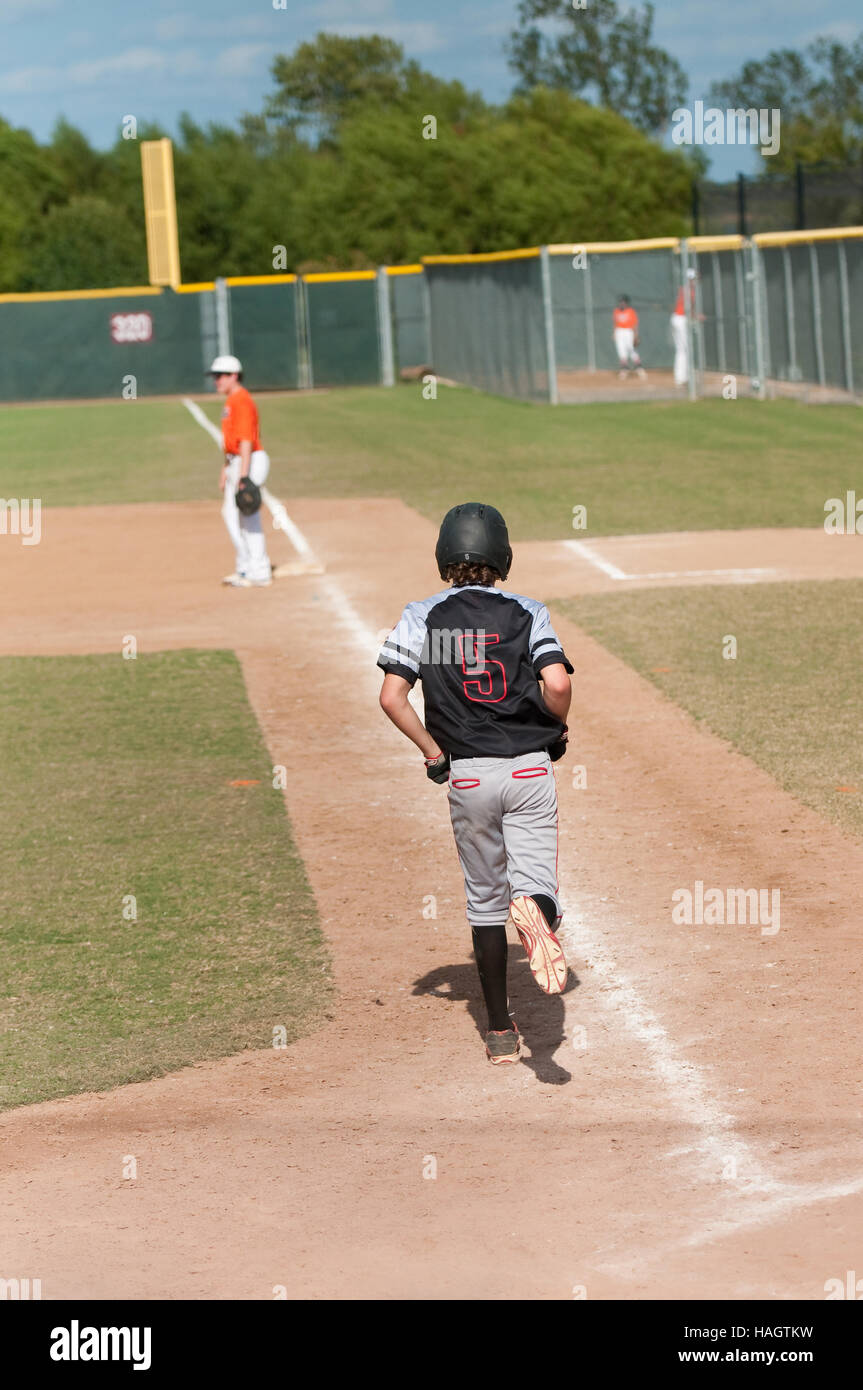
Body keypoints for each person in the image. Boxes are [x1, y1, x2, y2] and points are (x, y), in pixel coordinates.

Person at [377, 502, 573, 1066]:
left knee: (484, 898)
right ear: (502, 556)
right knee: (535, 881)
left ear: (445, 556)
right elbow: (555, 683)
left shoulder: (423, 616)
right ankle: (537, 910)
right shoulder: (525, 611)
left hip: (467, 773)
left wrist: (433, 751)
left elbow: (392, 697)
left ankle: (498, 1033)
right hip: (529, 767)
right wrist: (554, 725)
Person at [210, 354, 272, 587]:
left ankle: (259, 570)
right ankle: (246, 567)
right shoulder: (231, 400)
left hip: (250, 460)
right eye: (215, 376)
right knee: (231, 513)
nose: (216, 381)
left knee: (247, 513)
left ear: (233, 375)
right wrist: (226, 469)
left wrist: (244, 475)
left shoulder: (241, 401)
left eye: (220, 376)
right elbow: (232, 442)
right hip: (237, 461)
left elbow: (246, 440)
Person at [671, 269, 698, 388]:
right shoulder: (690, 291)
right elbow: (689, 309)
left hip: (676, 318)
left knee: (681, 349)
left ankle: (682, 378)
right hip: (681, 319)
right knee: (684, 350)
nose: (696, 281)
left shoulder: (683, 289)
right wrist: (697, 316)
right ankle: (681, 378)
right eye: (694, 279)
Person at [613, 295, 646, 379]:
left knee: (631, 349)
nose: (621, 303)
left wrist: (636, 335)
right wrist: (614, 333)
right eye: (620, 302)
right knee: (621, 349)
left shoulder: (631, 311)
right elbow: (615, 323)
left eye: (623, 302)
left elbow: (634, 324)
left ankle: (639, 367)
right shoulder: (616, 311)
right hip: (619, 331)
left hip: (628, 331)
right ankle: (624, 369)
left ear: (627, 303)